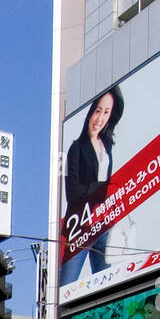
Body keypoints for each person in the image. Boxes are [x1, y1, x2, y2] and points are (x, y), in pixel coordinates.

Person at [61, 85, 124, 285]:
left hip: (103, 224)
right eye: (97, 111)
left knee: (106, 289)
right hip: (79, 228)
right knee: (66, 288)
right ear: (90, 112)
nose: (100, 119)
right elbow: (72, 193)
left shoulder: (107, 147)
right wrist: (102, 186)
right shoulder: (76, 148)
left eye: (106, 112)